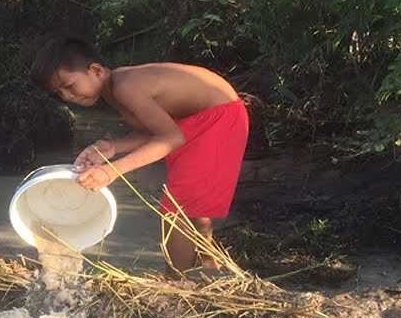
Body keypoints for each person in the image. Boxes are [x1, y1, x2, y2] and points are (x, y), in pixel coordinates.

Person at [30, 36, 249, 277]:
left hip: (218, 117)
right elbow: (155, 128)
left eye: (69, 86)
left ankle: (175, 284)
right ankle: (211, 267)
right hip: (193, 118)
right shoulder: (114, 87)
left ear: (96, 70)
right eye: (59, 93)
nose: (68, 97)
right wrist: (112, 147)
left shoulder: (126, 87)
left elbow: (170, 137)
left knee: (176, 209)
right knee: (190, 201)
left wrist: (110, 171)